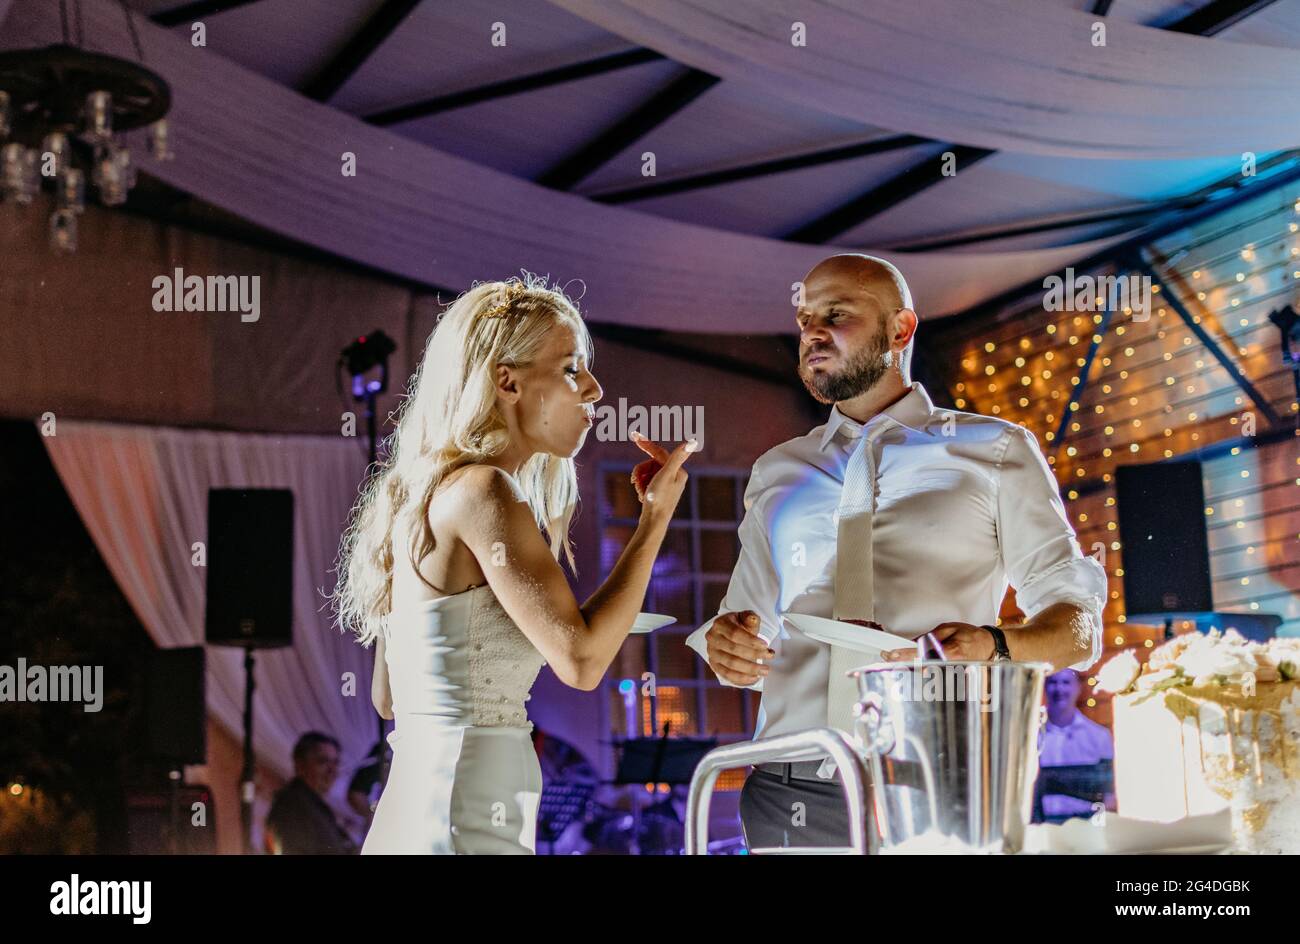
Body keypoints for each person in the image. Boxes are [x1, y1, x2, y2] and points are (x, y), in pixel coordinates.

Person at [685, 253, 1107, 850]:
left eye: (837, 315)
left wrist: (993, 647)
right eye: (805, 319)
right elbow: (752, 625)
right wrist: (729, 643)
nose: (812, 333)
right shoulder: (778, 469)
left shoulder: (996, 450)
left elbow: (1080, 630)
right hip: (788, 785)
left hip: (931, 783)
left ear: (901, 330)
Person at [333, 274, 694, 854]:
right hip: (468, 798)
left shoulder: (424, 497)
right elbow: (581, 660)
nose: (595, 389)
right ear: (507, 381)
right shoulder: (486, 492)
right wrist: (653, 521)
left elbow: (387, 696)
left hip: (423, 795)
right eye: (572, 368)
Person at [1038, 668, 1115, 820]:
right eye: (1053, 682)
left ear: (1078, 688)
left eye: (1066, 682)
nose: (1059, 688)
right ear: (1044, 686)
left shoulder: (1099, 736)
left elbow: (1110, 795)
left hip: (1088, 826)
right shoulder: (1034, 738)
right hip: (1043, 828)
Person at [265, 732, 358, 854]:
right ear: (300, 765)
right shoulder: (291, 805)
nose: (332, 770)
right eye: (323, 761)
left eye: (335, 763)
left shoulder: (315, 806)